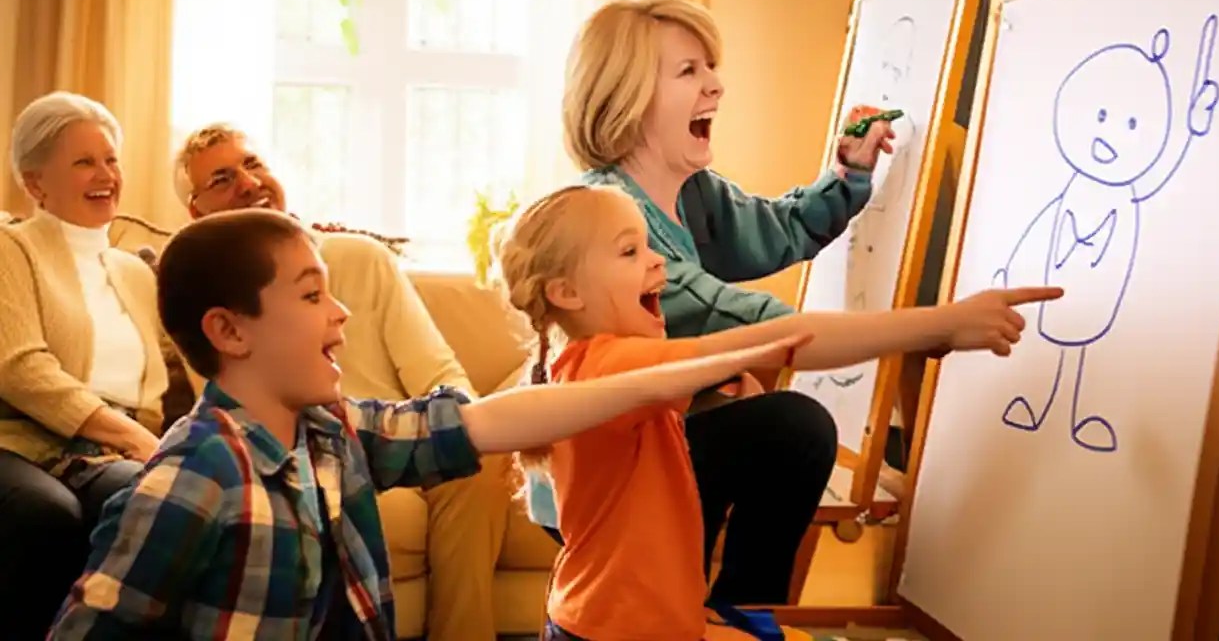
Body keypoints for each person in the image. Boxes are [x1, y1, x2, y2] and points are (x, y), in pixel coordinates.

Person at [47, 208, 809, 638]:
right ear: (230, 332)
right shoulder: (191, 477)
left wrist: (679, 374)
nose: (341, 313)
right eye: (313, 296)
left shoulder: (335, 435)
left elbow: (486, 423)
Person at [494, 184, 1062, 640]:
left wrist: (718, 382)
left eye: (649, 245)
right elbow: (784, 339)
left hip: (615, 620)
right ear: (567, 293)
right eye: (629, 252)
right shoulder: (611, 365)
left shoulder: (591, 364)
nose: (657, 264)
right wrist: (941, 323)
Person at [553, 0, 899, 604]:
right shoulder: (608, 216)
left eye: (711, 67)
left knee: (762, 422)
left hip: (664, 437)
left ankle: (729, 615)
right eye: (689, 71)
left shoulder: (694, 193)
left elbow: (780, 229)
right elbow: (731, 316)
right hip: (608, 466)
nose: (716, 85)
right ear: (626, 99)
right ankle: (736, 614)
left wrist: (848, 173)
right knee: (793, 426)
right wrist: (916, 332)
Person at [170, 123, 510, 640]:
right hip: (318, 451)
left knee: (479, 459)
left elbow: (443, 376)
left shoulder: (361, 257)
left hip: (401, 439)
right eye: (222, 178)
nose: (247, 182)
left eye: (254, 164)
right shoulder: (200, 300)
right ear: (196, 212)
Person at [0, 91, 166, 638]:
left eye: (111, 158)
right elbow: (20, 368)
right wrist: (134, 438)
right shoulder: (11, 248)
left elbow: (188, 363)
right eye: (83, 161)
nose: (106, 174)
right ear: (35, 182)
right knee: (47, 516)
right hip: (22, 441)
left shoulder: (138, 271)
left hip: (112, 449)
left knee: (173, 499)